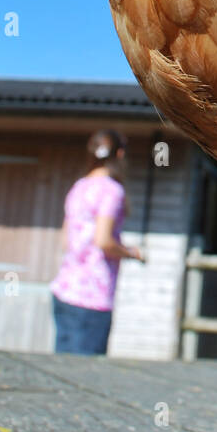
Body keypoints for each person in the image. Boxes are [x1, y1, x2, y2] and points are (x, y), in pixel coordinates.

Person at [49, 129, 144, 355]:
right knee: (86, 375)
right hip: (93, 296)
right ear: (119, 154)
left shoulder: (79, 186)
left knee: (61, 368)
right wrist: (131, 253)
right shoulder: (112, 191)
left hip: (64, 289)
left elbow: (66, 241)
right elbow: (103, 241)